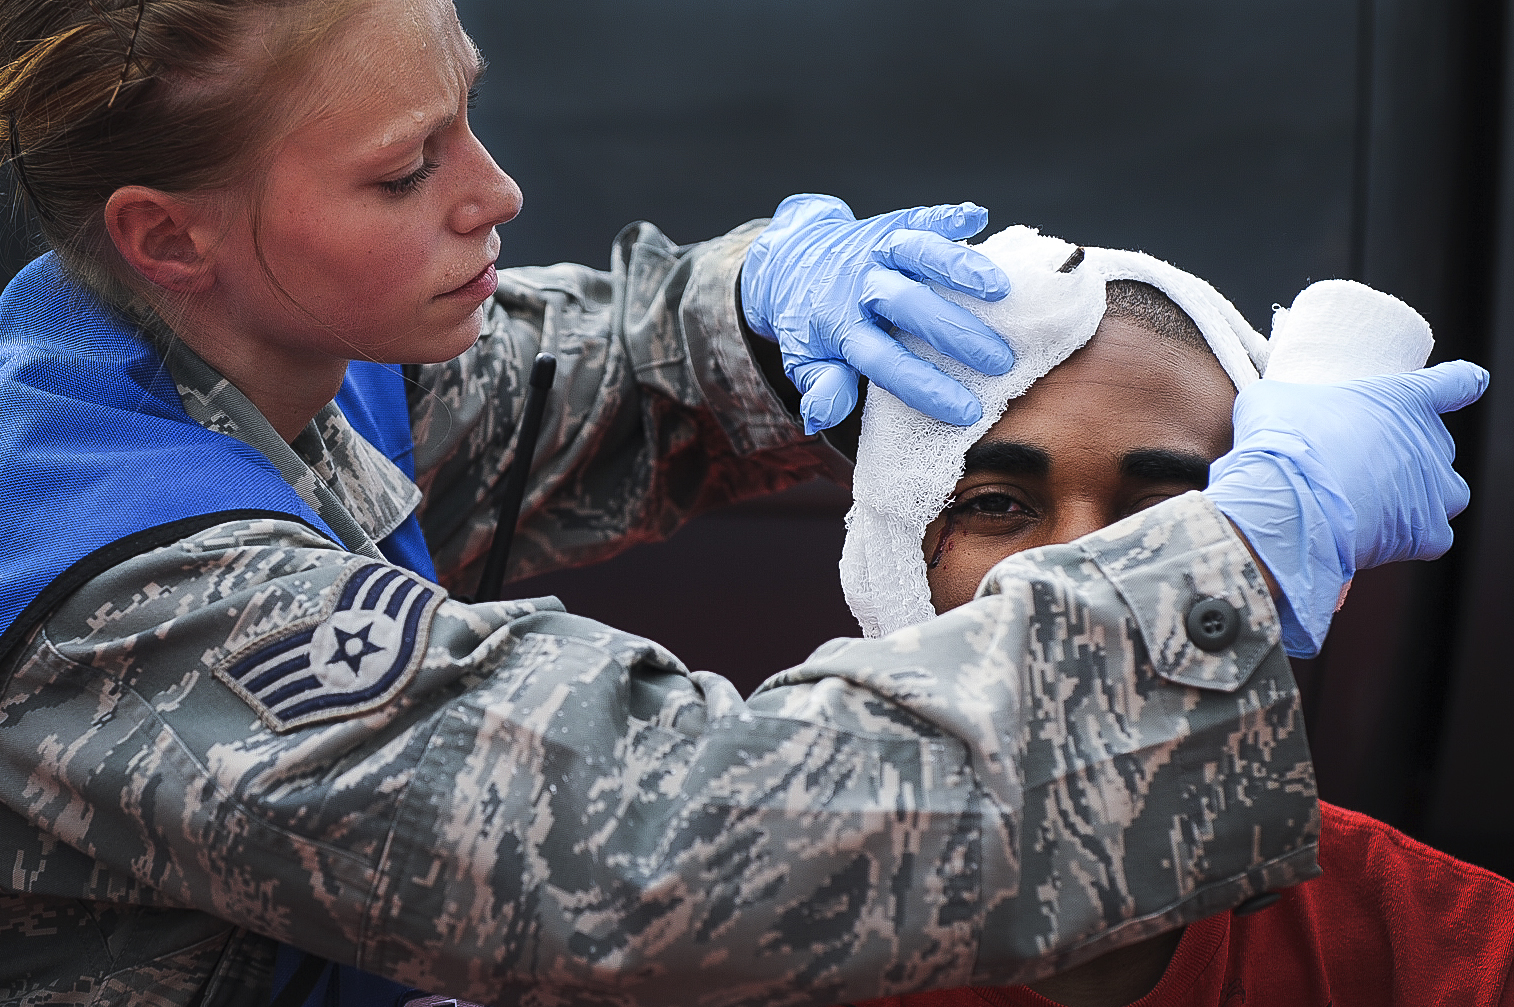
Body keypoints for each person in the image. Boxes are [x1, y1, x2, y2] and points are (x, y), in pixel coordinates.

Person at [0, 0, 1486, 1004]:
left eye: (465, 109)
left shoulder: (254, 361)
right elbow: (664, 840)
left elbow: (545, 387)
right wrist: (1245, 544)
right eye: (403, 171)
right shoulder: (117, 593)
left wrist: (764, 317)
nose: (497, 191)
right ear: (167, 236)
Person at [838, 227, 1514, 1007]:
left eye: (1165, 516)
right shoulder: (742, 946)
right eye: (996, 505)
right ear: (888, 556)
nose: (1078, 566)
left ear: (1300, 558)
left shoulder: (1439, 951)